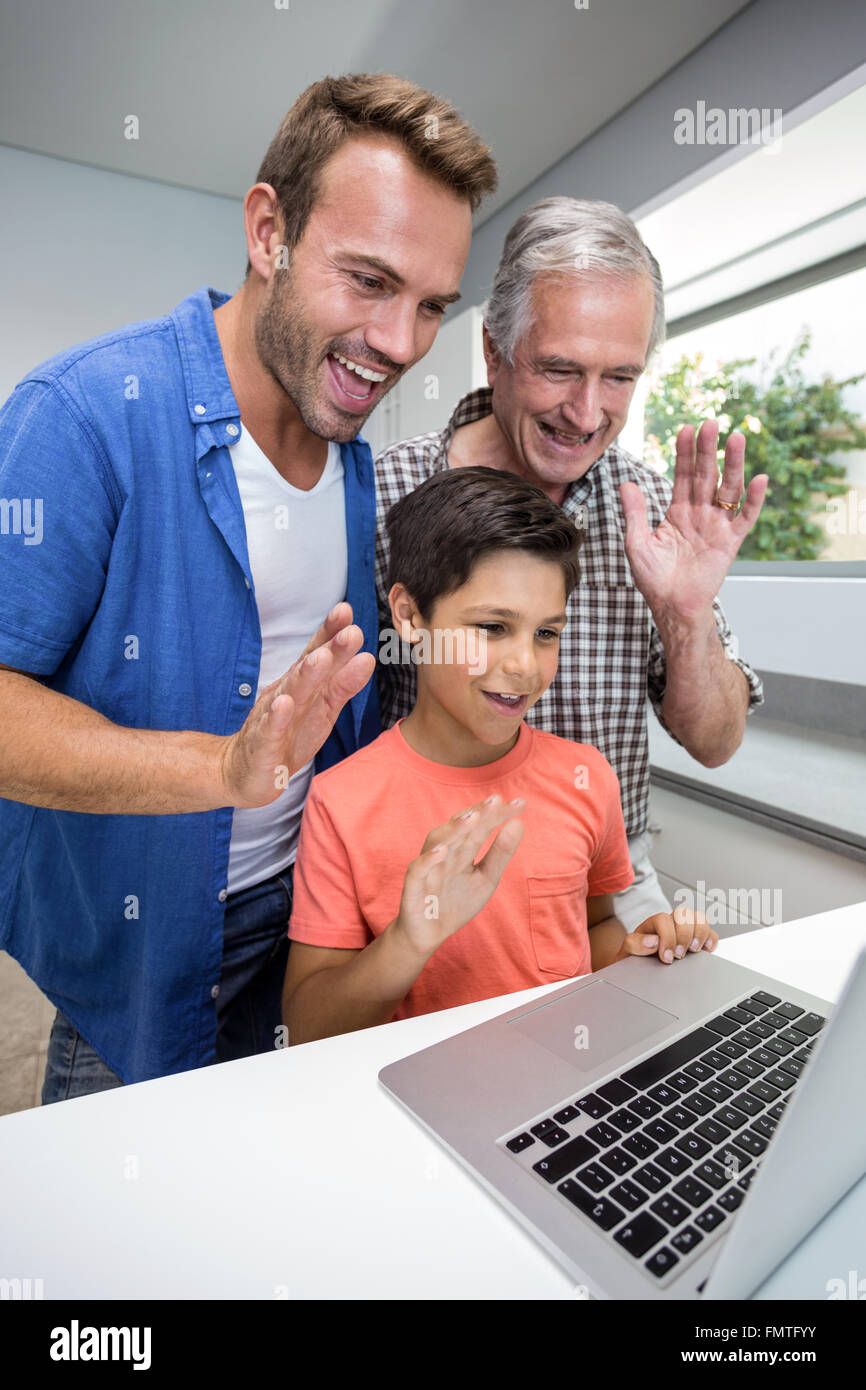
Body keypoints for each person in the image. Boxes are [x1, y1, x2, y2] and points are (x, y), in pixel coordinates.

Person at [0, 73, 497, 1097]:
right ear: (267, 231)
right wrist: (220, 771)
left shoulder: (350, 447)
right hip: (142, 939)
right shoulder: (82, 417)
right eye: (367, 280)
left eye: (430, 306)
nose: (400, 344)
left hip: (306, 919)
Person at [374, 197, 767, 933]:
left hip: (609, 888)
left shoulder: (652, 507)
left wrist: (683, 616)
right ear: (495, 352)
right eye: (560, 370)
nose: (587, 415)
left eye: (619, 377)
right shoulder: (385, 494)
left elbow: (716, 743)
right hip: (430, 874)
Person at [282, 468, 716, 1044]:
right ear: (411, 617)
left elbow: (596, 930)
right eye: (492, 627)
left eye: (546, 633)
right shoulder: (343, 801)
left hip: (564, 1085)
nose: (525, 666)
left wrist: (640, 947)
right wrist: (409, 940)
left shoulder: (586, 778)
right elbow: (306, 1027)